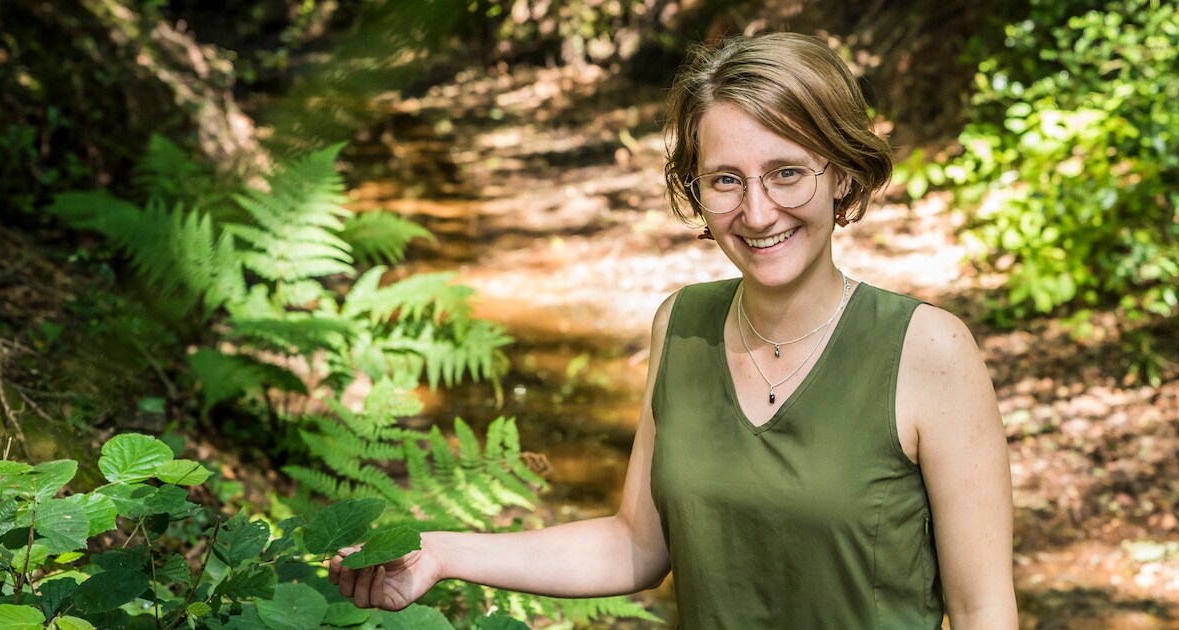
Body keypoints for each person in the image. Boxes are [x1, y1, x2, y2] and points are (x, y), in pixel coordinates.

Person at [329, 31, 1017, 628]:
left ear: (839, 173)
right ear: (695, 187)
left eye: (786, 173)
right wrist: (440, 552)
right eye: (725, 179)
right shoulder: (681, 326)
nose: (757, 211)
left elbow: (985, 611)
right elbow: (636, 544)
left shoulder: (929, 351)